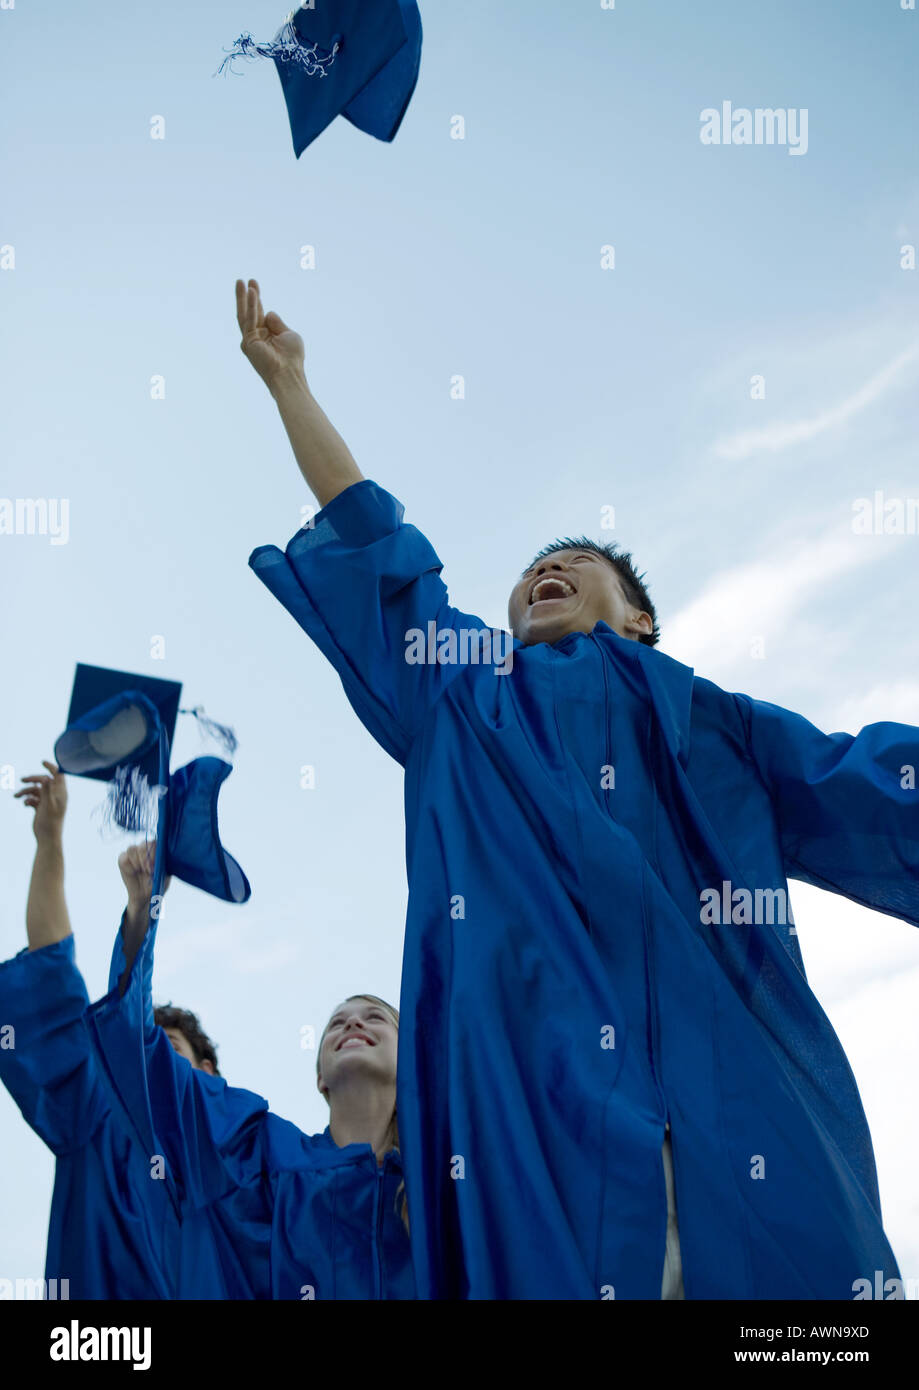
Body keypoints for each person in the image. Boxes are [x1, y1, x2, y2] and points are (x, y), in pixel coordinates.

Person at [240, 277, 916, 1300]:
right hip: (536, 1098)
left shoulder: (706, 720)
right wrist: (291, 384)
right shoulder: (461, 693)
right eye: (530, 570)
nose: (543, 572)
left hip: (729, 1088)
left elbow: (854, 783)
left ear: (638, 618)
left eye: (575, 563)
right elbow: (378, 553)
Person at [85, 842, 415, 1301]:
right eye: (335, 1023)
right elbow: (141, 1062)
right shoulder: (258, 1159)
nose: (353, 1022)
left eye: (375, 1017)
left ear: (413, 1062)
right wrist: (143, 908)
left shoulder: (446, 1182)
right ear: (320, 1077)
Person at [0, 763, 219, 1299]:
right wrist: (50, 841)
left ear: (207, 1074)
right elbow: (52, 975)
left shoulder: (244, 1158)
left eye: (166, 1052)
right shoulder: (98, 1119)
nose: (146, 1069)